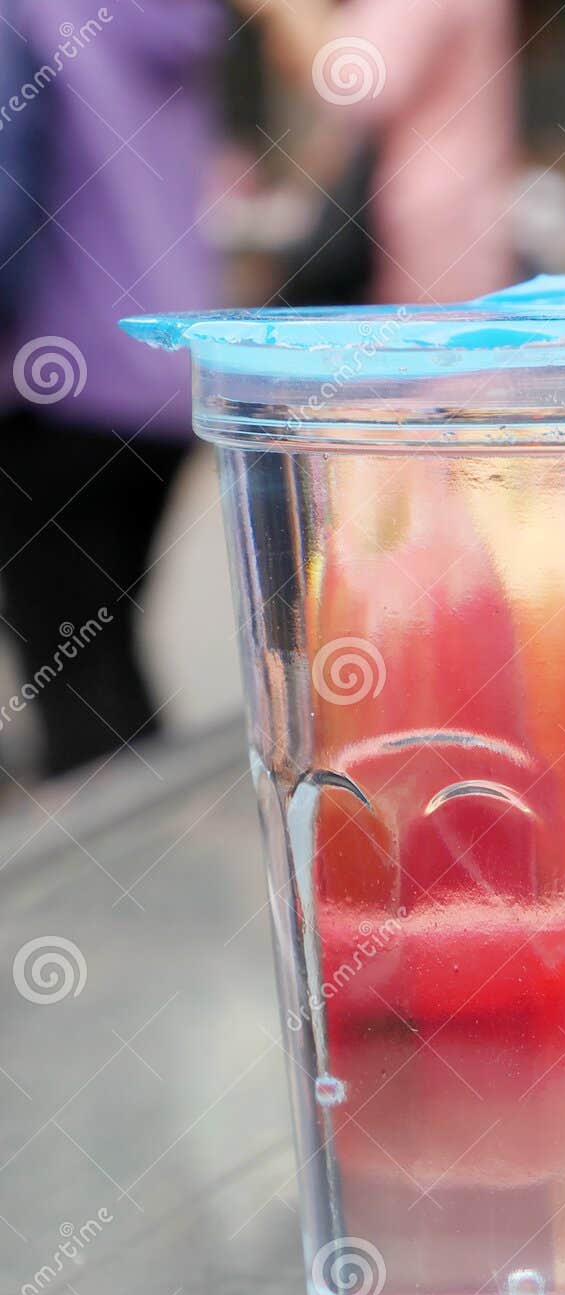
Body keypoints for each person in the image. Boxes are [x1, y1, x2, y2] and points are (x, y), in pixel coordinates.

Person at [0, 0, 222, 778]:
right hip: (164, 371)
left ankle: (126, 894)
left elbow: (5, 203)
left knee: (73, 682)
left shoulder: (28, 15)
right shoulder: (156, 17)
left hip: (54, 386)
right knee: (107, 660)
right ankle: (163, 877)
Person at [249, 0, 518, 304]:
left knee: (425, 342)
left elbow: (360, 85)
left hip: (424, 228)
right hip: (445, 214)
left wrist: (294, 13)